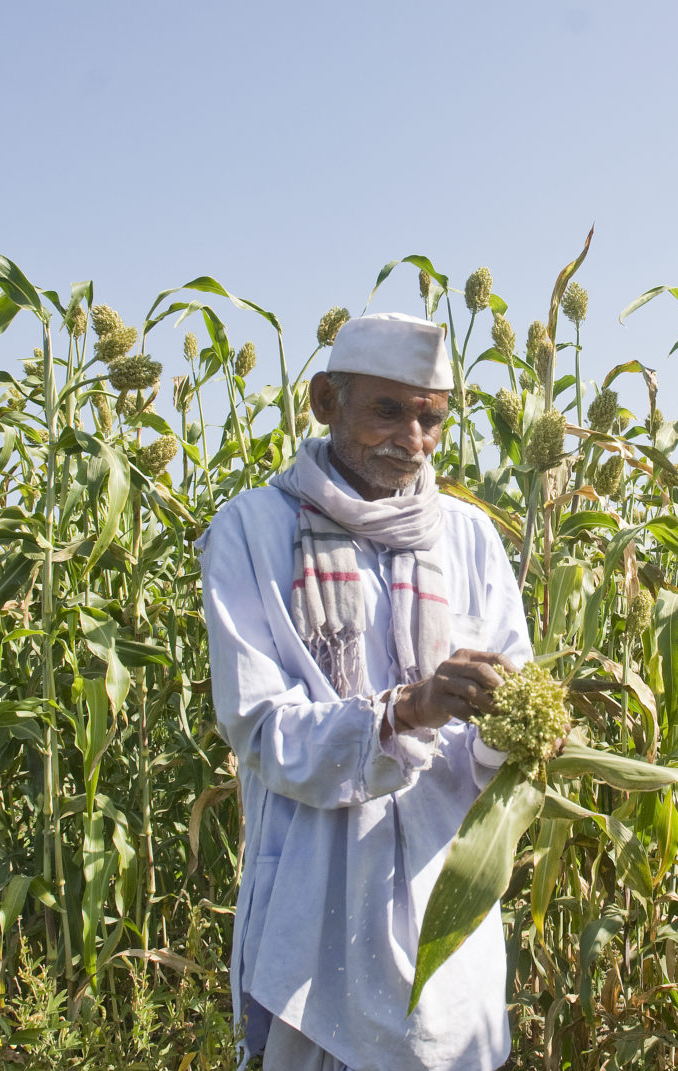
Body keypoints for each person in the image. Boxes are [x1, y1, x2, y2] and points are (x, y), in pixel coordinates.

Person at [196, 311, 532, 1071]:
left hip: (445, 897)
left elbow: (504, 710)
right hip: (316, 903)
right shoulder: (253, 529)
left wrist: (523, 721)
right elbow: (260, 727)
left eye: (431, 420)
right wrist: (408, 709)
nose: (412, 441)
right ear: (325, 401)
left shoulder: (468, 537)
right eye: (388, 411)